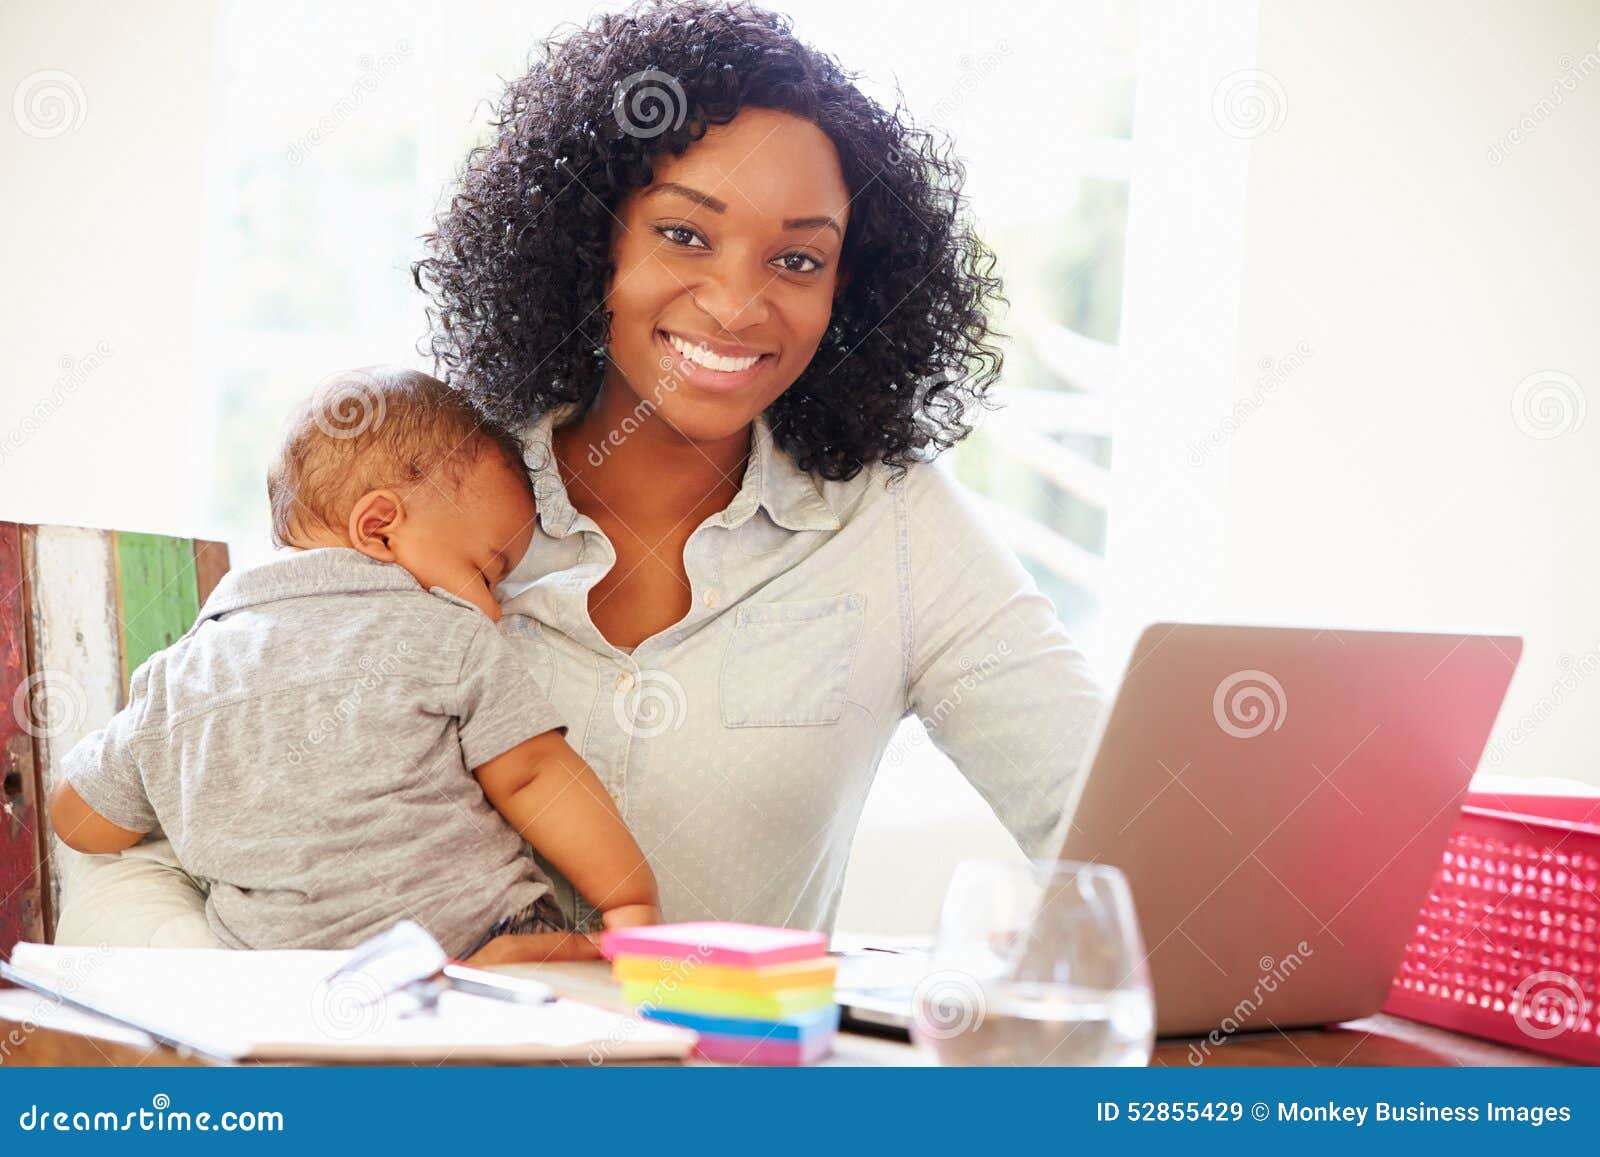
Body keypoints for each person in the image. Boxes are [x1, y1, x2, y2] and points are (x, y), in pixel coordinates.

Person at [54, 1, 1102, 964]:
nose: (737, 305)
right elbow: (151, 837)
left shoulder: (896, 523)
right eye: (684, 233)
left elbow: (1107, 811)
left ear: (850, 286)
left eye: (797, 260)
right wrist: (311, 1029)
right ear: (587, 240)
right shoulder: (421, 495)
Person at [49, 368, 659, 959]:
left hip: (285, 982)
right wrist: (630, 902)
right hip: (483, 940)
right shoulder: (448, 633)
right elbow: (533, 775)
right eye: (485, 573)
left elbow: (80, 821)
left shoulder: (181, 676)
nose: (494, 610)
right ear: (379, 528)